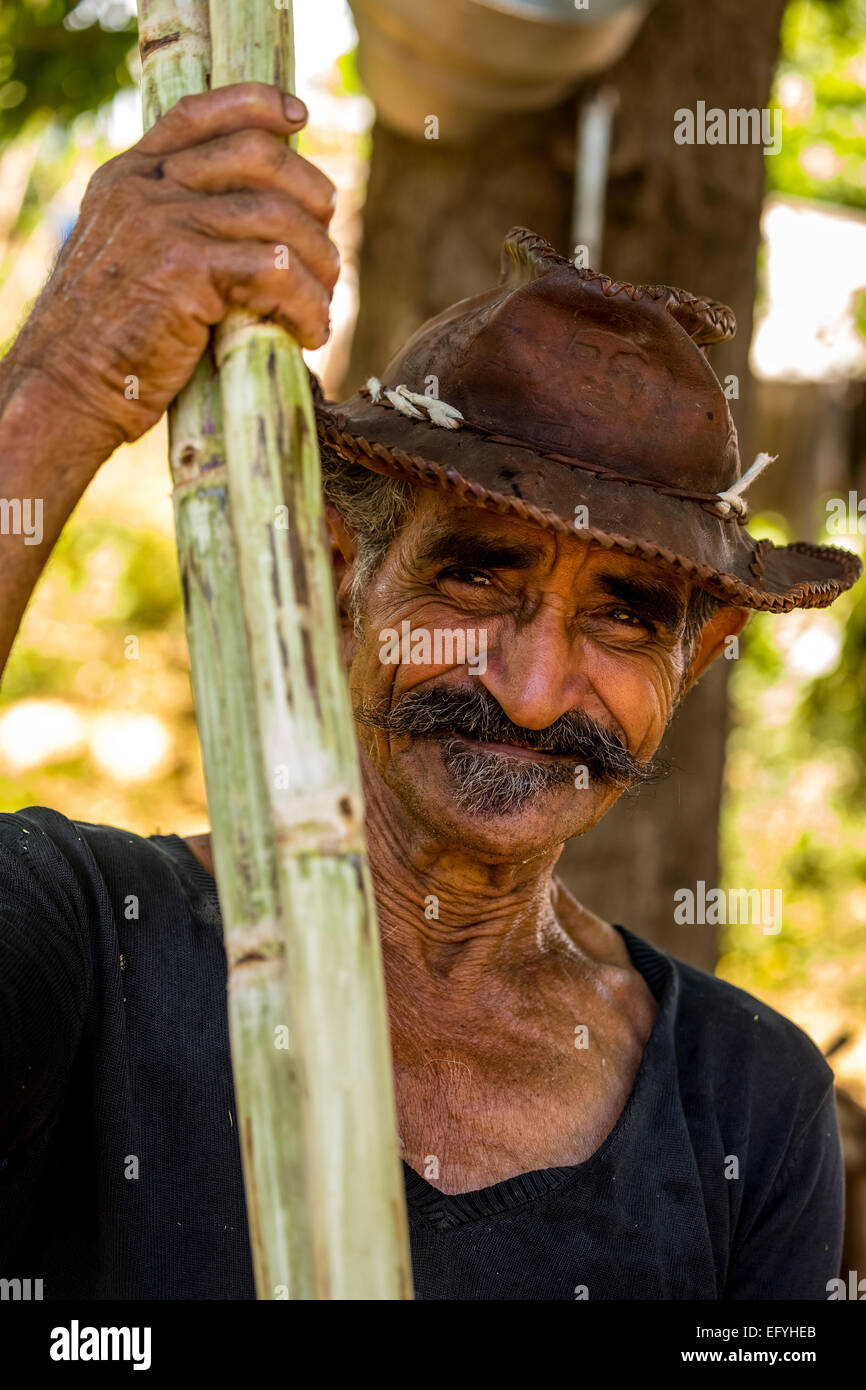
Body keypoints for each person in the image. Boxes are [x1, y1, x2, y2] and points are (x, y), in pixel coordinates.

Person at [0, 83, 859, 1301]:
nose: (531, 688)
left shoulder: (747, 1101)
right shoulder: (88, 942)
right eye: (472, 578)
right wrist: (64, 386)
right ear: (339, 576)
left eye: (623, 615)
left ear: (700, 652)